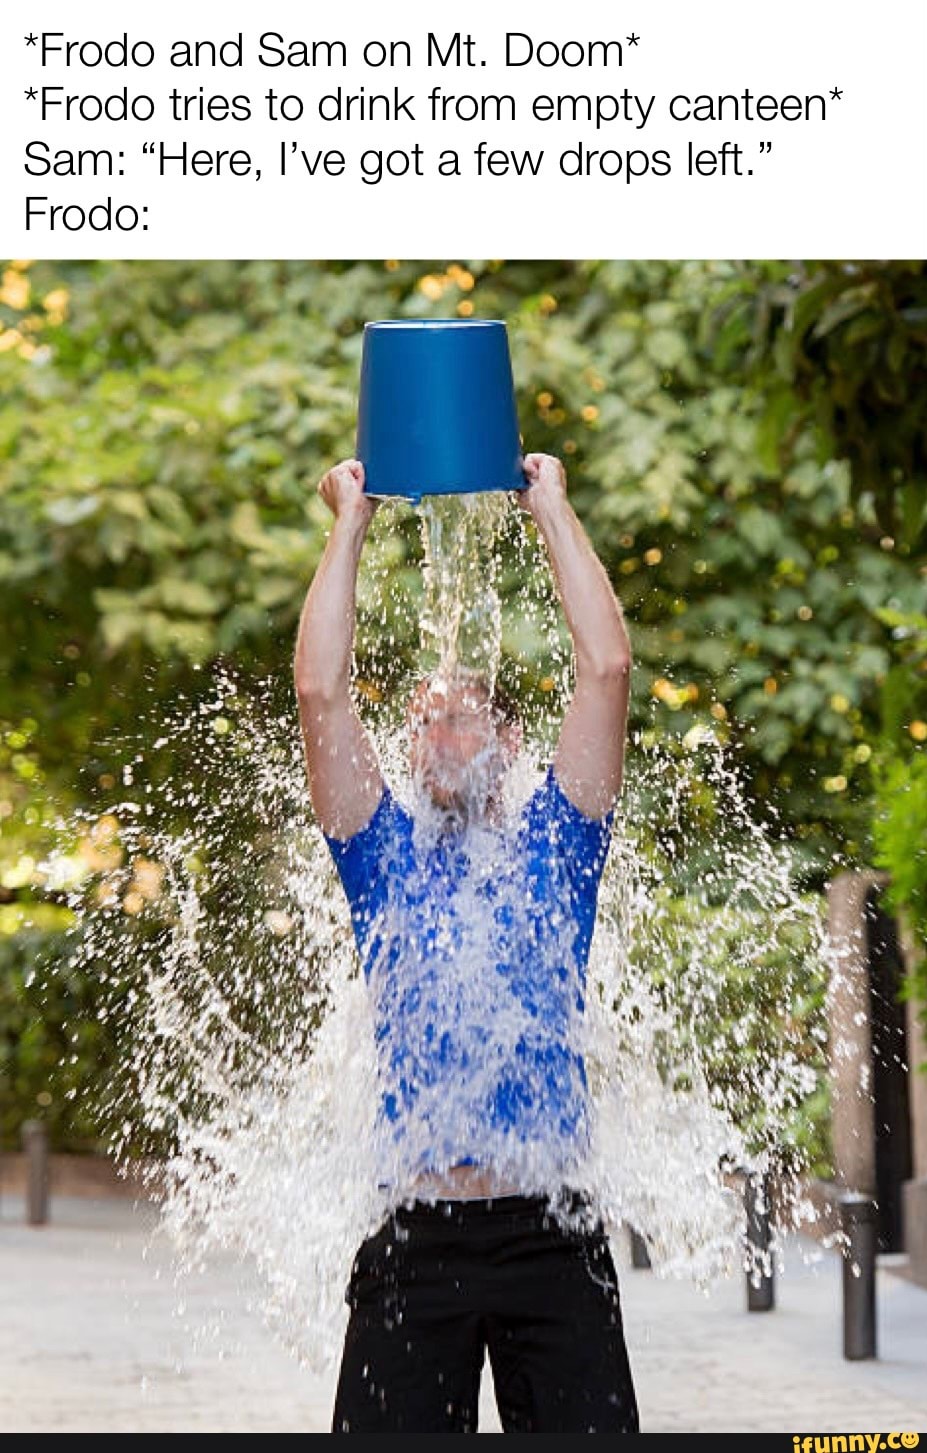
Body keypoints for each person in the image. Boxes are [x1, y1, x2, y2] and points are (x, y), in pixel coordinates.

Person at [294, 452, 639, 1434]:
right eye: (420, 721)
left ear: (510, 740)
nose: (432, 736)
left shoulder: (559, 846)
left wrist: (552, 508)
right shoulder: (381, 857)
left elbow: (607, 669)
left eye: (456, 719)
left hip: (551, 1230)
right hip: (415, 1237)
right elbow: (320, 693)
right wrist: (349, 522)